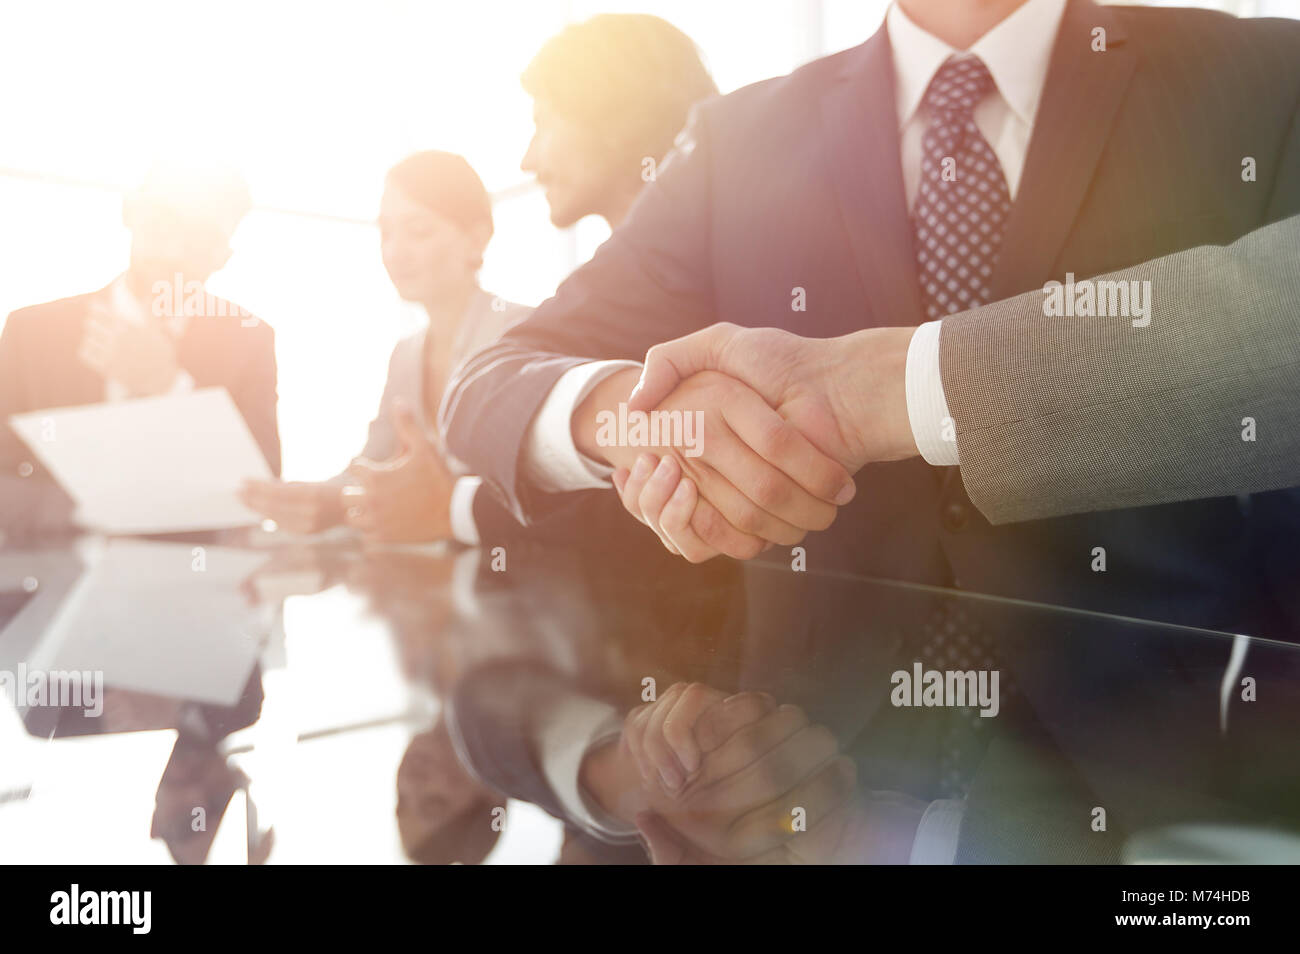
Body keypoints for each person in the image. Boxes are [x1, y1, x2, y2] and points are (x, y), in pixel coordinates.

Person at [442, 0, 1300, 644]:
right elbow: (492, 382)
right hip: (797, 781)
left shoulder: (1264, 79)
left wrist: (892, 390)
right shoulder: (734, 140)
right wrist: (638, 419)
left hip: (1171, 789)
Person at [621, 213, 1300, 527]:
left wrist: (869, 396)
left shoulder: (1255, 64)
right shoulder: (731, 129)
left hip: (1157, 737)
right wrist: (648, 423)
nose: (530, 155)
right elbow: (524, 365)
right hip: (806, 734)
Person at [239, 151, 530, 545]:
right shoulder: (406, 355)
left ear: (476, 239)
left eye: (418, 230)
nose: (395, 251)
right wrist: (315, 498)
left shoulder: (523, 335)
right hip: (433, 582)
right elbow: (372, 465)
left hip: (523, 573)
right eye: (386, 232)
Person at [0, 160, 278, 542]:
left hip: (186, 588)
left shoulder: (250, 341)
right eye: (164, 221)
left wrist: (171, 387)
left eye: (200, 236)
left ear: (222, 257)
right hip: (55, 584)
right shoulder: (31, 332)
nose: (175, 250)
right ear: (130, 213)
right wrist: (95, 511)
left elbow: (265, 494)